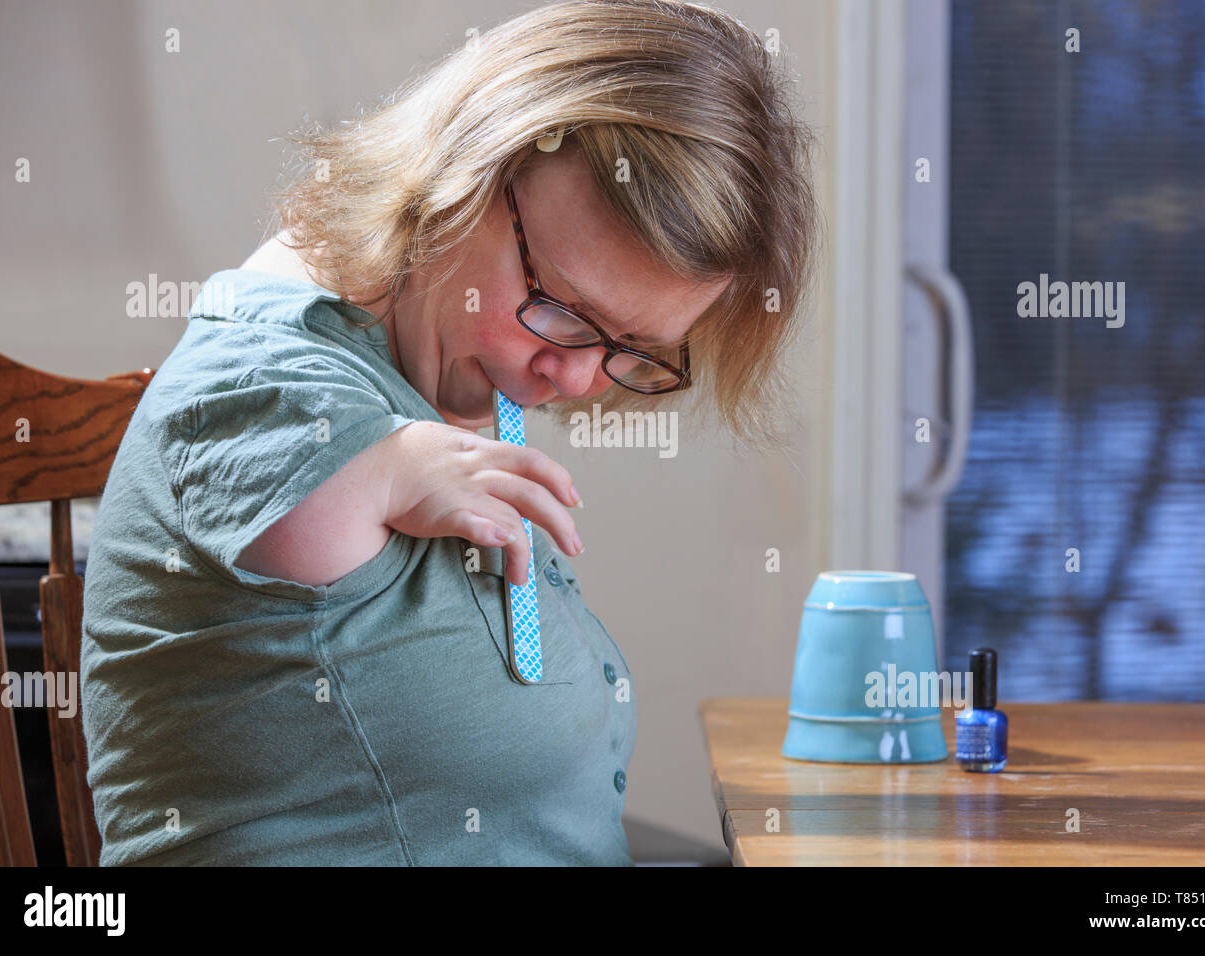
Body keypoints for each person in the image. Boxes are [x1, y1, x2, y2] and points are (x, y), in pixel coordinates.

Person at [80, 0, 820, 865]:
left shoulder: (440, 368)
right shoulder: (263, 387)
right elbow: (285, 482)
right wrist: (387, 468)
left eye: (634, 349)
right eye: (563, 310)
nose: (575, 378)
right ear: (469, 166)